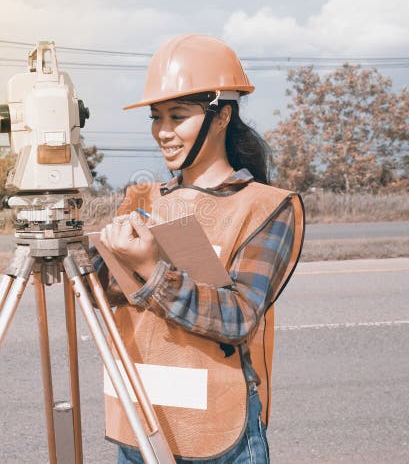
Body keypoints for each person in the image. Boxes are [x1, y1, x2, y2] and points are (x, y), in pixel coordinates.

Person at [93, 34, 305, 463]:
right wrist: (90, 257)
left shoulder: (266, 207)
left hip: (219, 435)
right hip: (139, 425)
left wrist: (152, 269)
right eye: (156, 117)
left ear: (221, 115)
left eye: (178, 116)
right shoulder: (142, 197)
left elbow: (239, 317)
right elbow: (106, 299)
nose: (163, 132)